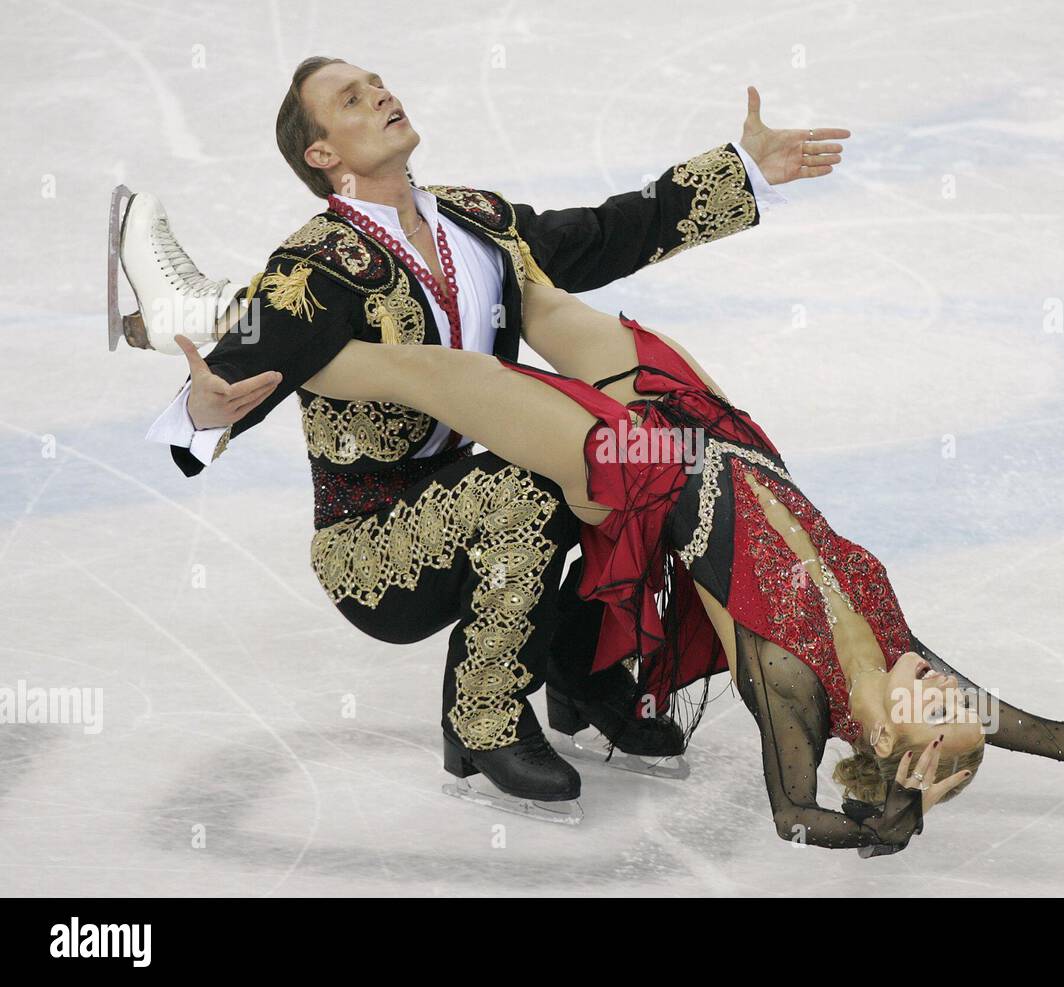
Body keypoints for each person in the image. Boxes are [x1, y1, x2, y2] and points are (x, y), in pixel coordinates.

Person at [114, 56, 853, 816]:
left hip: (468, 489)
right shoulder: (315, 270)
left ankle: (580, 663)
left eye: (378, 84)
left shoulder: (479, 221)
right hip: (371, 546)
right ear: (322, 154)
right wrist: (206, 407)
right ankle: (481, 716)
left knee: (644, 448)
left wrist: (743, 173)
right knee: (537, 480)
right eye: (352, 99)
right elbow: (231, 381)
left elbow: (603, 232)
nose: (381, 95)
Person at [291, 277, 1064, 852]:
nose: (958, 689)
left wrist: (880, 822)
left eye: (945, 713)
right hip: (728, 435)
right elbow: (1051, 733)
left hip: (648, 467)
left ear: (905, 744)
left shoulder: (791, 687)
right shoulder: (911, 667)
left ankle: (234, 335)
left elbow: (793, 812)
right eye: (962, 703)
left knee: (436, 372)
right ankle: (414, 242)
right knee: (523, 283)